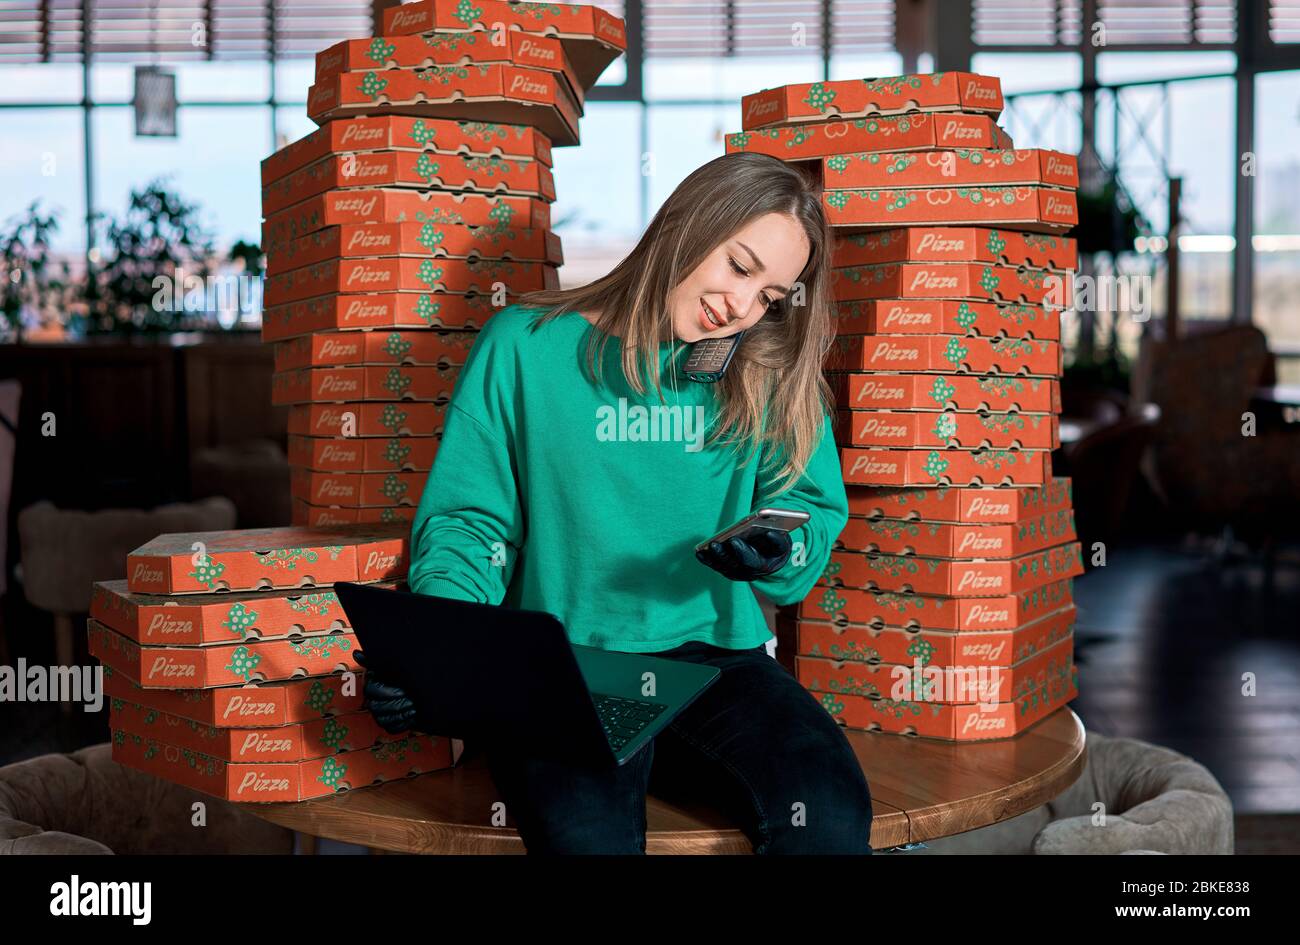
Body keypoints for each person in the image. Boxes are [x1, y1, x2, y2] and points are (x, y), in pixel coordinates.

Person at [358, 150, 873, 854]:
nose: (744, 306)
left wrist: (782, 544)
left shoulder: (770, 370)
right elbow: (469, 520)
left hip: (717, 657)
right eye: (740, 266)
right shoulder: (525, 345)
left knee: (831, 811)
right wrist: (439, 654)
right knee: (588, 841)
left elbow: (806, 508)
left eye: (771, 296)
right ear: (686, 225)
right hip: (564, 663)